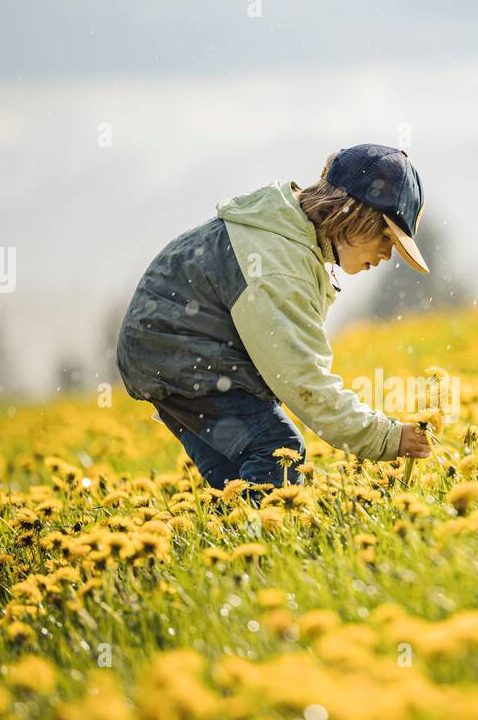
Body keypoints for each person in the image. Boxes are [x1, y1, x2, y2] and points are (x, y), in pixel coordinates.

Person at [116, 143, 433, 495]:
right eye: (386, 237)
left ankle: (236, 537)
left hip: (163, 354)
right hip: (180, 354)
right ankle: (255, 541)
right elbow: (304, 382)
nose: (388, 255)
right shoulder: (279, 266)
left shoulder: (285, 235)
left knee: (237, 480)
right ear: (354, 214)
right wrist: (384, 437)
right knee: (276, 451)